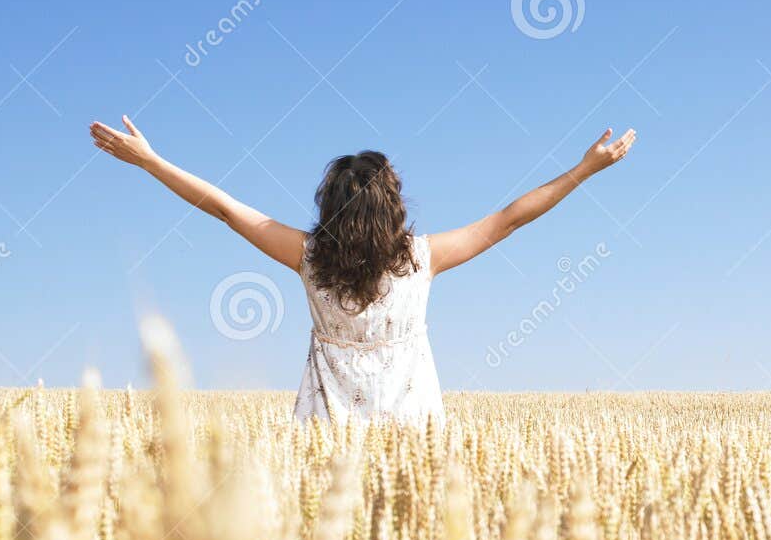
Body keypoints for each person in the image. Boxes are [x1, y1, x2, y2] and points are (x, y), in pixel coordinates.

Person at [89, 116, 636, 424]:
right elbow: (509, 219)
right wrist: (585, 170)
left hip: (325, 433)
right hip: (412, 430)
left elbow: (225, 207)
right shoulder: (423, 258)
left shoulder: (306, 258)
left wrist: (152, 162)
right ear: (393, 207)